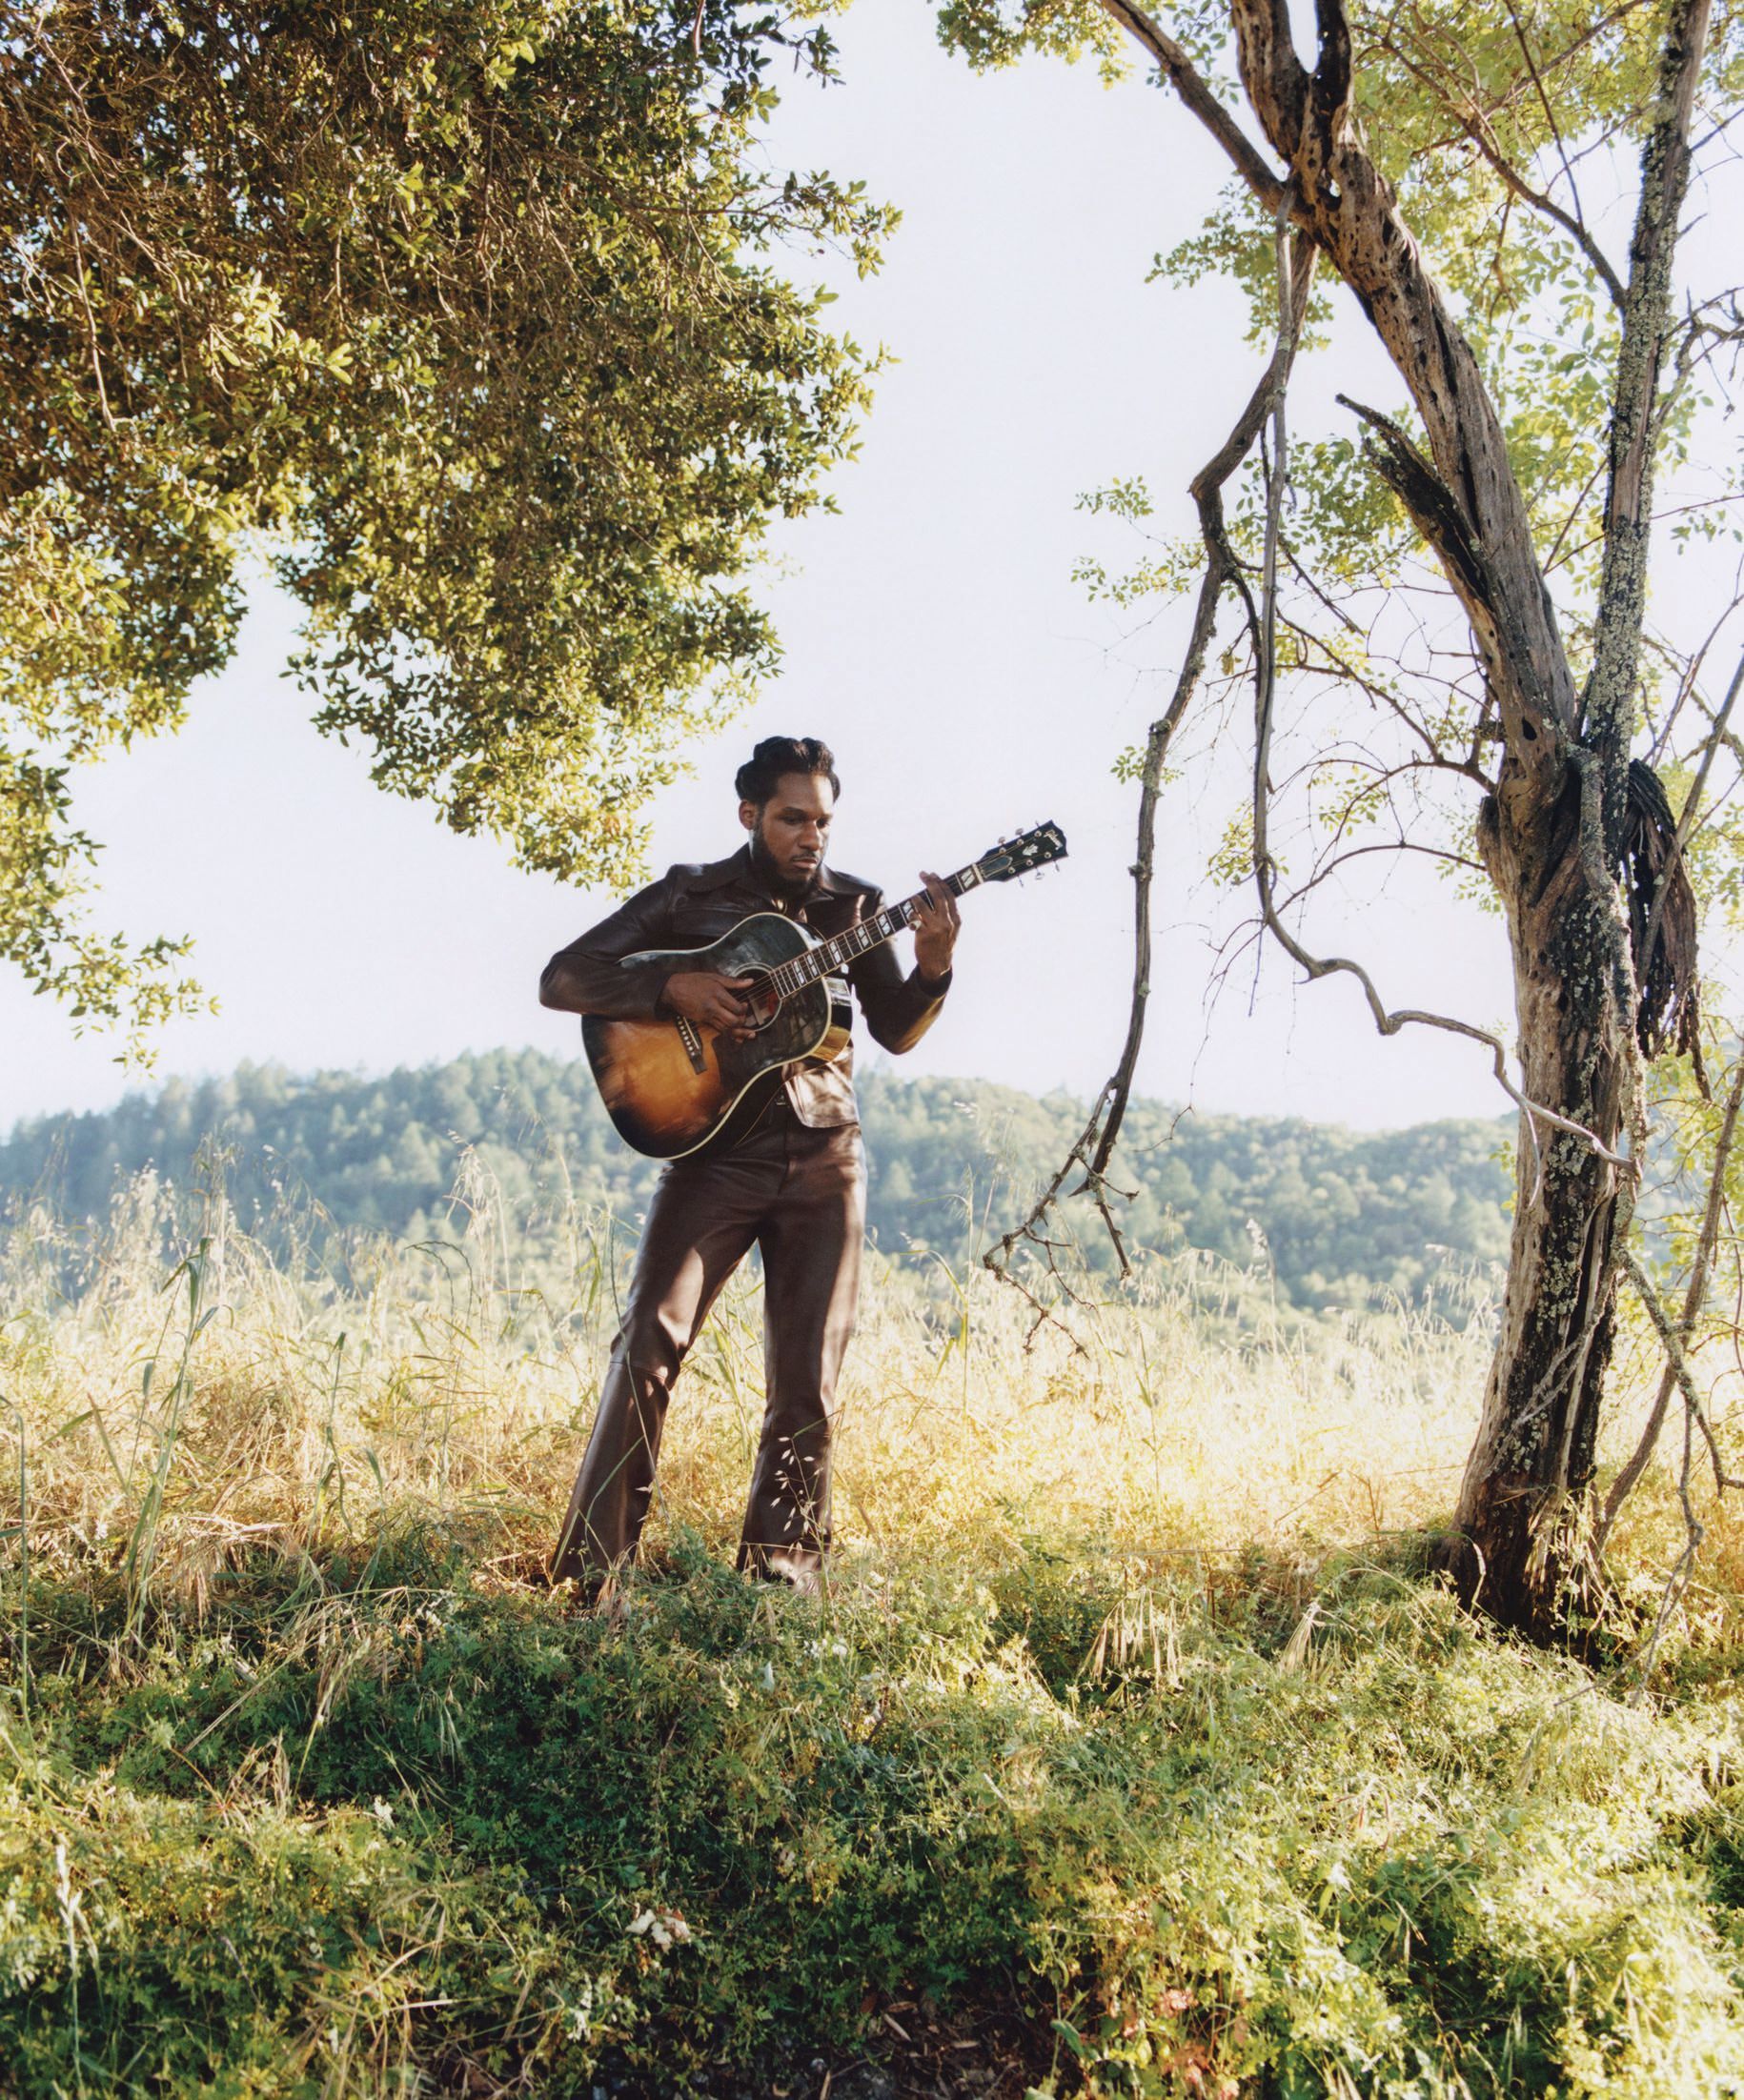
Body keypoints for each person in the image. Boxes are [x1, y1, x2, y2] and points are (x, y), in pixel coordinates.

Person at [539, 735, 960, 1590]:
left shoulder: (856, 908)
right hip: (712, 1152)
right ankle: (593, 1581)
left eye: (824, 822)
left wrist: (934, 965)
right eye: (794, 818)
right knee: (647, 1347)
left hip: (825, 1158)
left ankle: (780, 1592)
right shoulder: (690, 893)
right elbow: (563, 977)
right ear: (751, 815)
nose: (813, 837)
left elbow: (894, 1032)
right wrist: (673, 989)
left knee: (807, 1381)